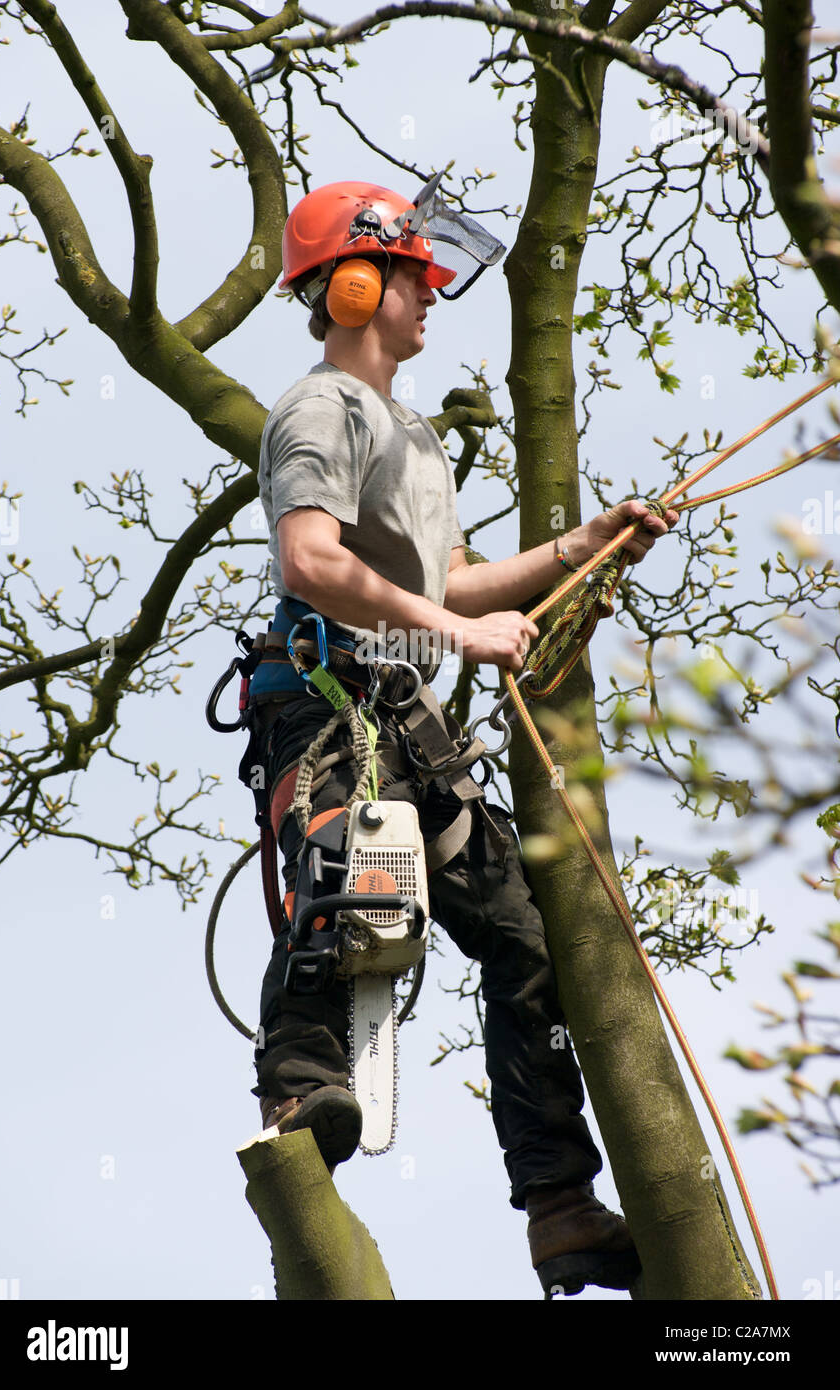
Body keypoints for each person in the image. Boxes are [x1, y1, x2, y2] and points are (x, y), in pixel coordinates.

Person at [245, 177, 678, 1296]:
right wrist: (454, 627)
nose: (431, 291)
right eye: (410, 274)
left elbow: (443, 583)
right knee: (339, 876)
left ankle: (558, 1202)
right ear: (353, 282)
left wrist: (579, 544)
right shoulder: (319, 409)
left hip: (411, 719)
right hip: (330, 702)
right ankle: (299, 1081)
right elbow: (311, 561)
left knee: (529, 942)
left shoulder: (412, 434)